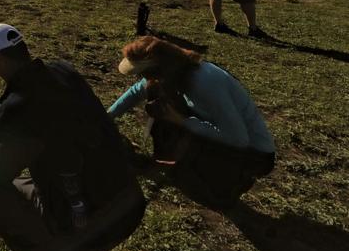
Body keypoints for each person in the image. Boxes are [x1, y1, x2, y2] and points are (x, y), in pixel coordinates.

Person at [0, 24, 145, 251]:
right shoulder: (62, 72)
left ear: (0, 59)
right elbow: (43, 102)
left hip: (92, 219)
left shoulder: (19, 110)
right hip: (128, 201)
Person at [107, 36, 276, 210]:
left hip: (255, 155)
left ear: (159, 69)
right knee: (157, 97)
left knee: (171, 116)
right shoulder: (176, 70)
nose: (142, 78)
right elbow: (137, 91)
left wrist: (183, 121)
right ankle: (180, 160)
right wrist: (108, 116)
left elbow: (239, 139)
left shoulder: (205, 84)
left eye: (144, 73)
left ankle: (230, 180)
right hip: (231, 137)